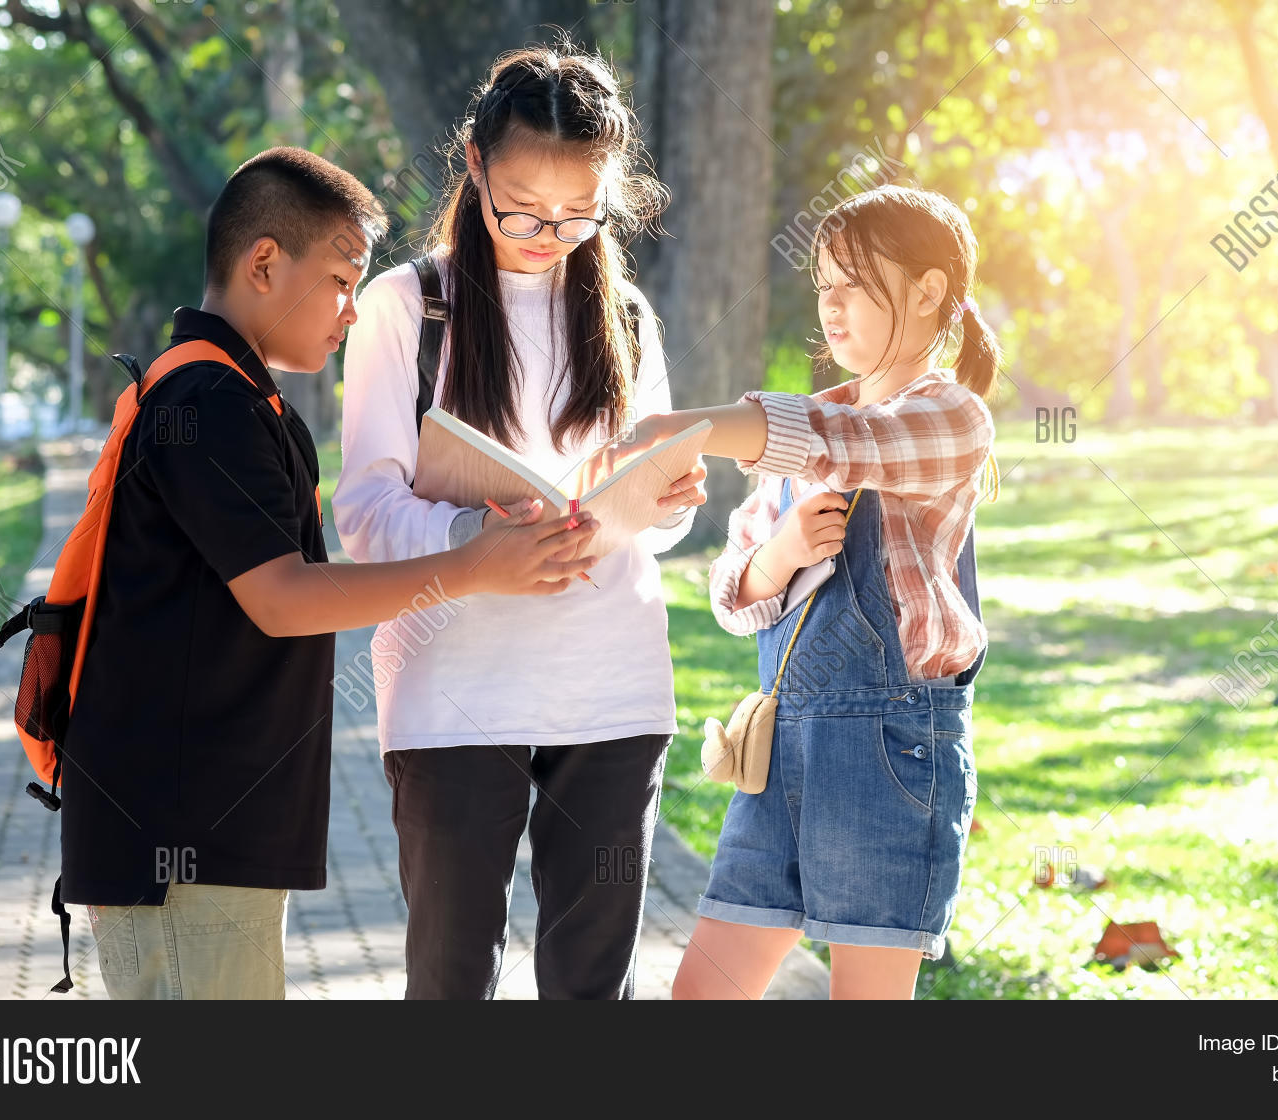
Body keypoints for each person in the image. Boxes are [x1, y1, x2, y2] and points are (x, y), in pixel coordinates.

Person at [66, 146, 600, 1000]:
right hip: (180, 838)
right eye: (344, 280)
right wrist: (469, 566)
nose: (353, 311)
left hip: (201, 831)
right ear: (265, 264)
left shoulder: (234, 394)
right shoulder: (209, 401)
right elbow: (281, 599)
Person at [333, 44, 706, 1000]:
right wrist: (473, 547)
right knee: (451, 980)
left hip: (612, 687)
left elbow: (652, 526)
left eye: (578, 214)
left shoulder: (623, 313)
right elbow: (367, 515)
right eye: (522, 209)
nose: (547, 233)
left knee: (592, 988)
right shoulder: (406, 308)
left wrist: (659, 506)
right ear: (472, 164)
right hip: (453, 688)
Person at [605, 185, 1000, 999]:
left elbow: (855, 444)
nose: (833, 307)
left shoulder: (951, 417)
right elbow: (732, 593)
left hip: (891, 751)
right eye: (823, 287)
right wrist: (778, 555)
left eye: (855, 283)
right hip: (782, 746)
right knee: (703, 993)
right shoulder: (805, 423)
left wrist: (688, 429)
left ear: (928, 292)